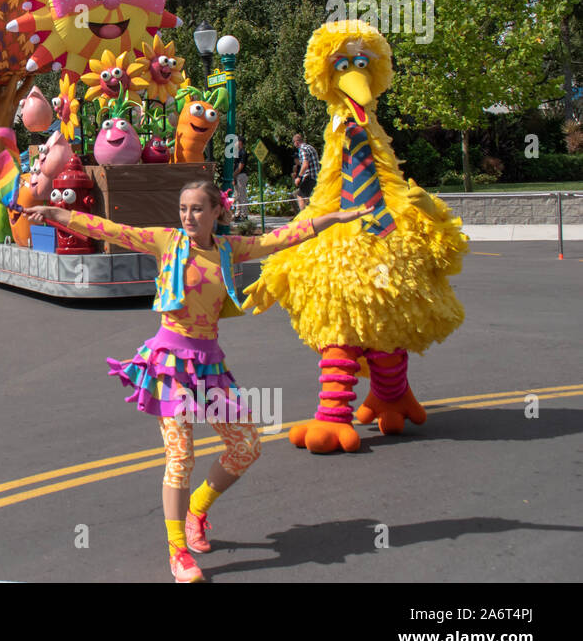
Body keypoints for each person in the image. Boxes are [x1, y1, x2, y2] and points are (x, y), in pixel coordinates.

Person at [25, 181, 369, 583]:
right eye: (184, 208)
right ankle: (178, 554)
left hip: (209, 364)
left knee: (246, 445)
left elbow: (281, 238)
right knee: (181, 455)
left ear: (216, 213)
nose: (188, 216)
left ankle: (197, 511)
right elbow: (108, 229)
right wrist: (56, 214)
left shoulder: (228, 249)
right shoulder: (166, 243)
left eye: (197, 209)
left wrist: (333, 218)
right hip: (170, 362)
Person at [292, 133, 320, 212]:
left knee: (300, 195)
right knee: (307, 198)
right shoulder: (310, 147)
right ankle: (310, 215)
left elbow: (305, 164)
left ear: (296, 142)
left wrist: (299, 177)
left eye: (294, 143)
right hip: (316, 176)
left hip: (310, 177)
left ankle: (303, 218)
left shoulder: (302, 149)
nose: (294, 145)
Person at [233, 139, 249, 220]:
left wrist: (234, 175)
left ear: (240, 142)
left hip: (241, 175)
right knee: (237, 196)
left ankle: (244, 214)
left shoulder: (243, 152)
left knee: (242, 195)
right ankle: (238, 214)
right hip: (236, 176)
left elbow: (240, 166)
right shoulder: (235, 152)